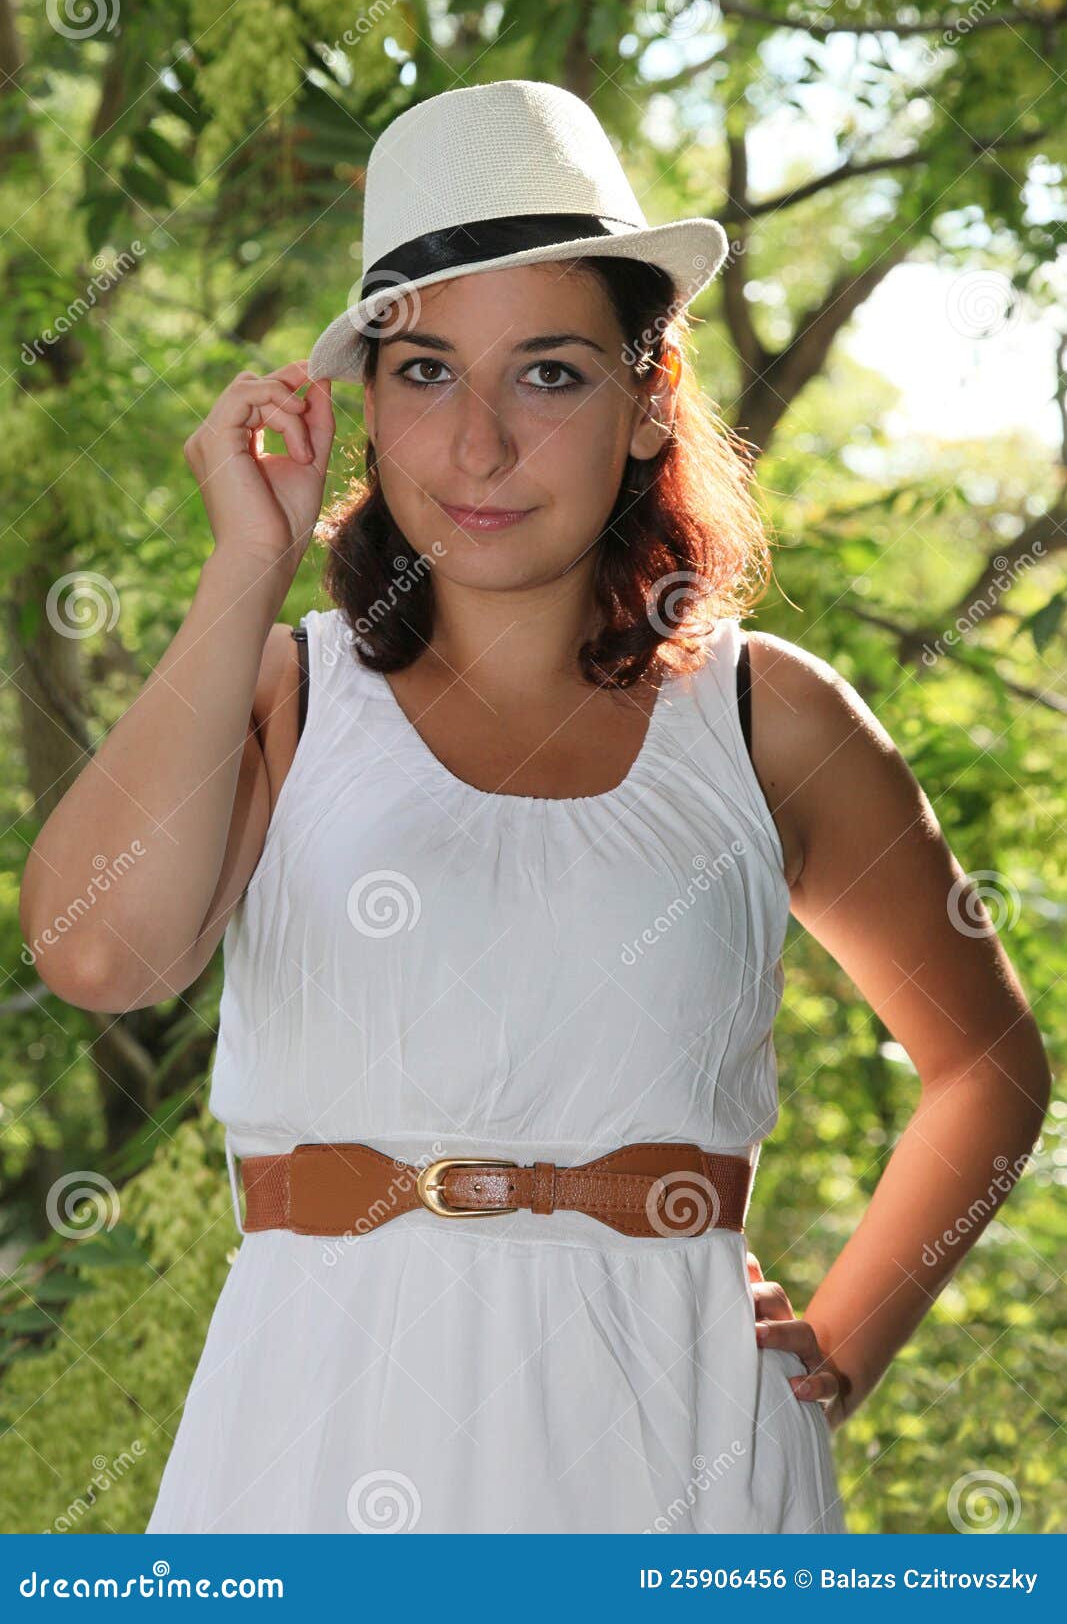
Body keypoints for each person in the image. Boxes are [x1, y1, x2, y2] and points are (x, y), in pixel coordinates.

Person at [21, 82, 1049, 1535]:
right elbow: (96, 954)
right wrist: (242, 569)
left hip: (686, 1454)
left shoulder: (774, 718)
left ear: (645, 403)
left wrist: (839, 1348)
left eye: (550, 374)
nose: (481, 445)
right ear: (365, 406)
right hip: (315, 1444)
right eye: (426, 372)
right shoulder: (276, 695)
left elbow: (991, 1066)